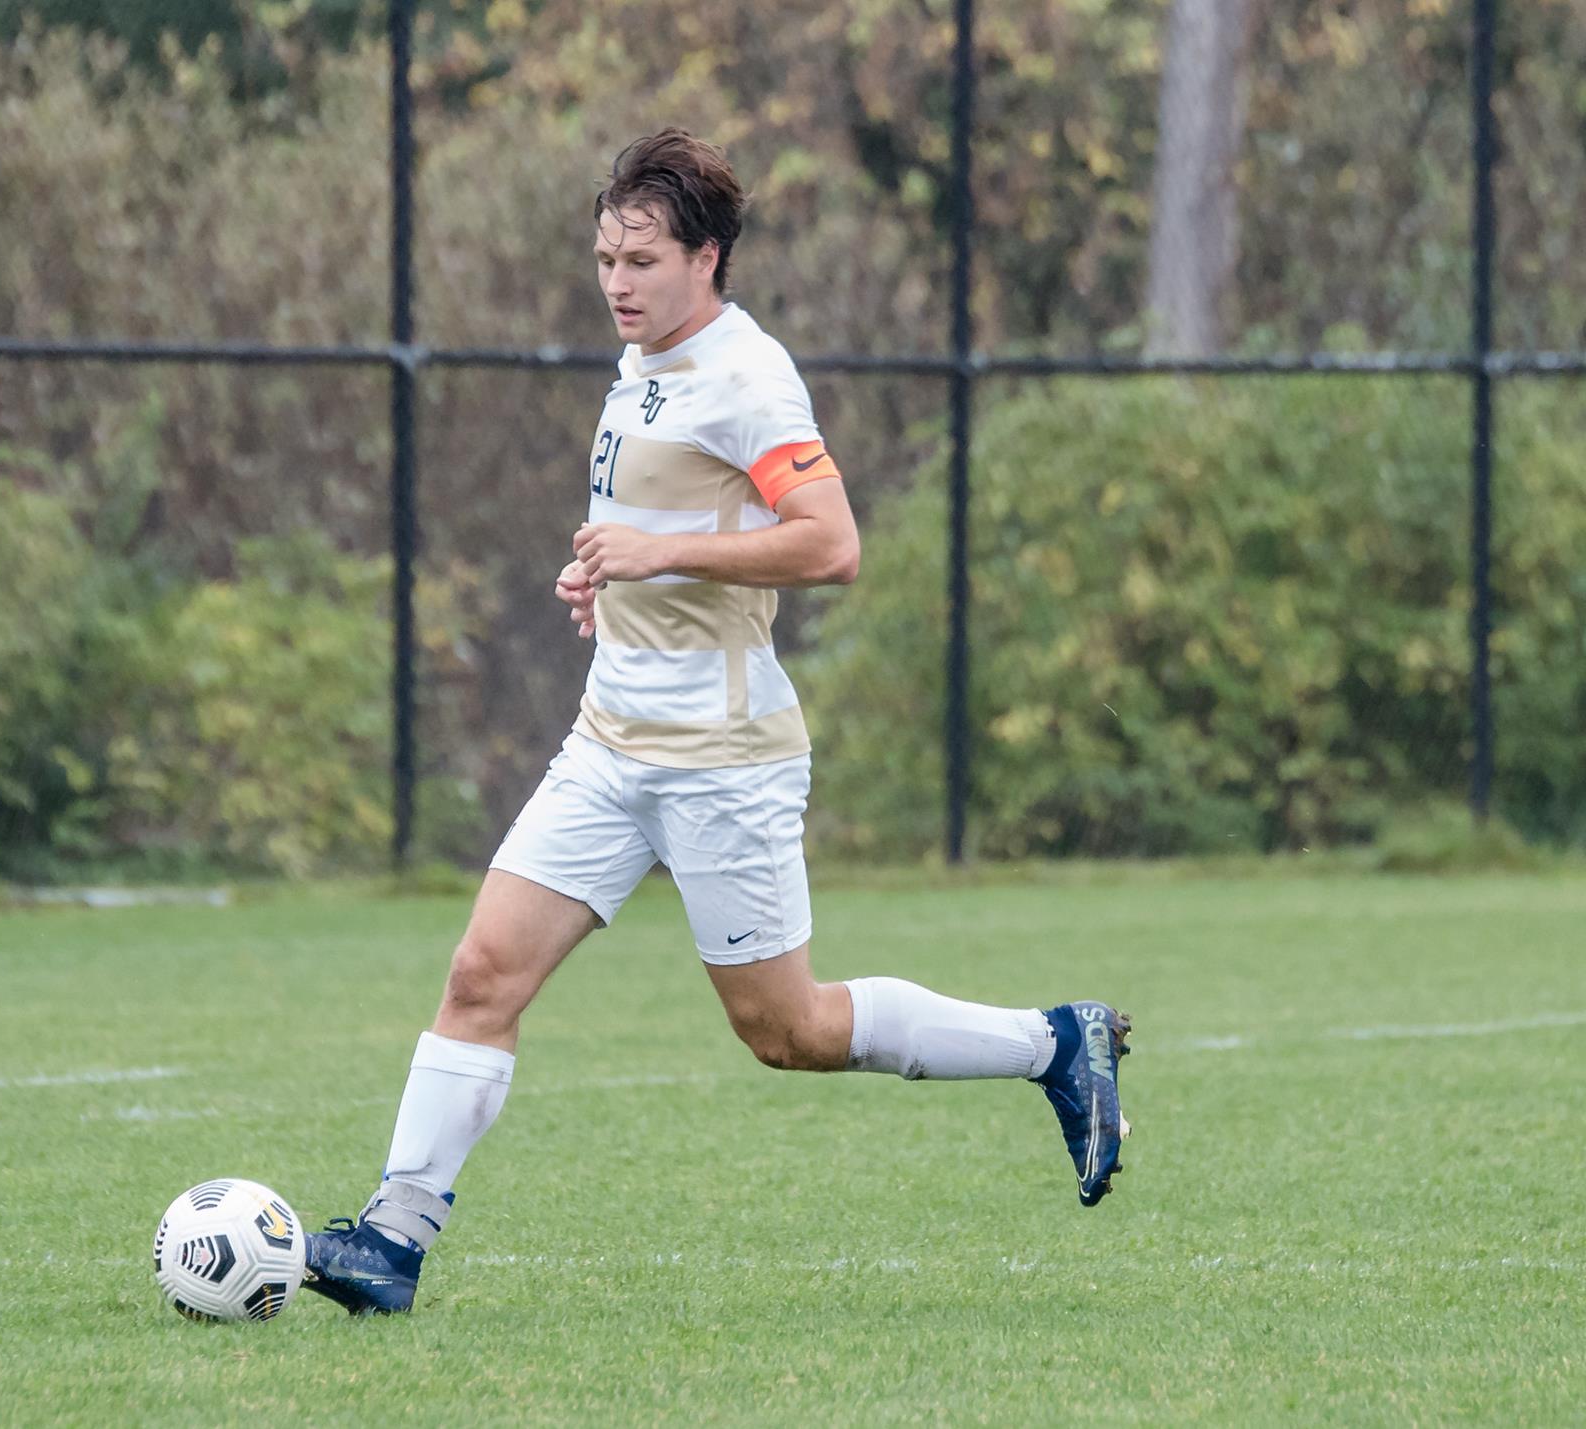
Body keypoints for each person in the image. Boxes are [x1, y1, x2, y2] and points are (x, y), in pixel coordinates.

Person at [303, 128, 1130, 1317]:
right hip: (608, 743)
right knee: (481, 971)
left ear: (708, 256)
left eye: (640, 259)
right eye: (602, 257)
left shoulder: (747, 378)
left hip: (721, 762)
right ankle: (392, 1240)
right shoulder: (640, 361)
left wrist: (659, 551)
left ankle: (1054, 1043)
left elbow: (832, 544)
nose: (615, 282)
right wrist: (606, 574)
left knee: (785, 1030)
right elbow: (660, 525)